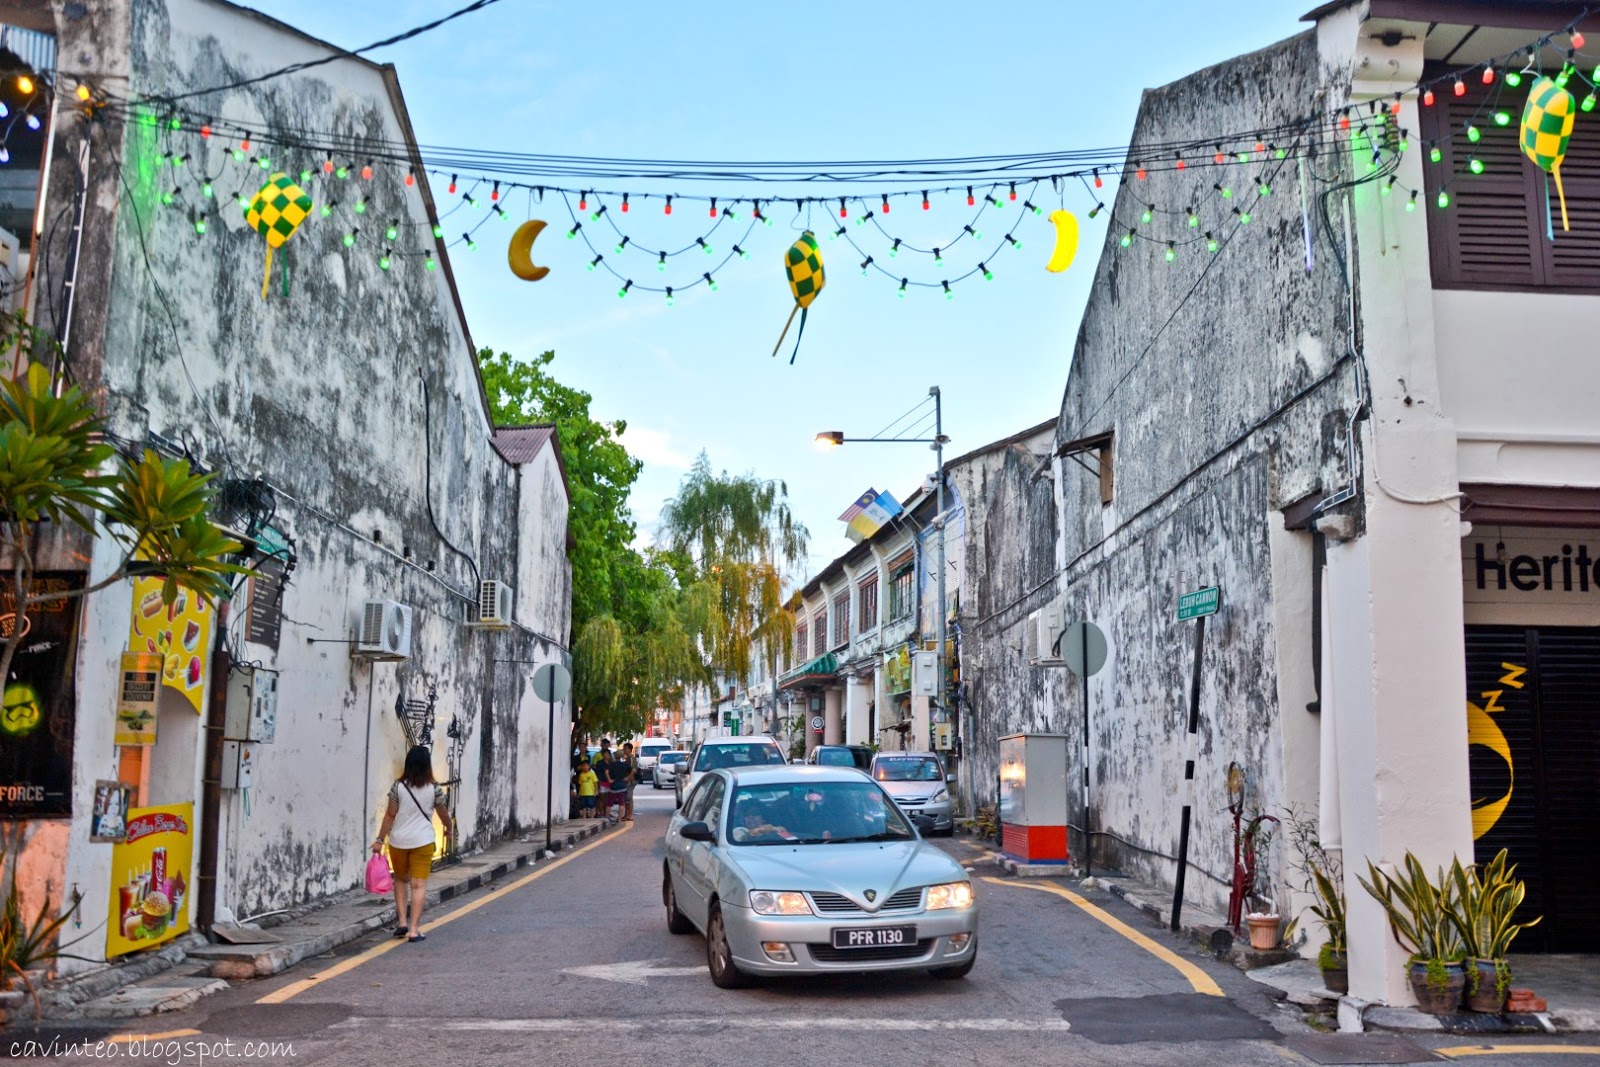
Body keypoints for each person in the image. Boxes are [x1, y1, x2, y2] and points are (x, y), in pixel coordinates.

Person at [372, 745, 454, 942]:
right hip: (423, 842)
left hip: (398, 841)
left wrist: (379, 839)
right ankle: (414, 930)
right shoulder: (434, 789)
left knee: (400, 880)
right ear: (427, 765)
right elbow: (444, 815)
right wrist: (449, 828)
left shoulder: (398, 786)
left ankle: (401, 922)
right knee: (418, 885)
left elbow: (390, 814)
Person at [615, 742, 638, 822]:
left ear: (629, 750)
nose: (624, 750)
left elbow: (633, 770)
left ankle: (629, 815)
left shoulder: (631, 758)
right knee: (626, 798)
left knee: (628, 798)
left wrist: (628, 779)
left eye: (625, 749)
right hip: (627, 781)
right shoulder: (627, 758)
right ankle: (626, 815)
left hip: (630, 781)